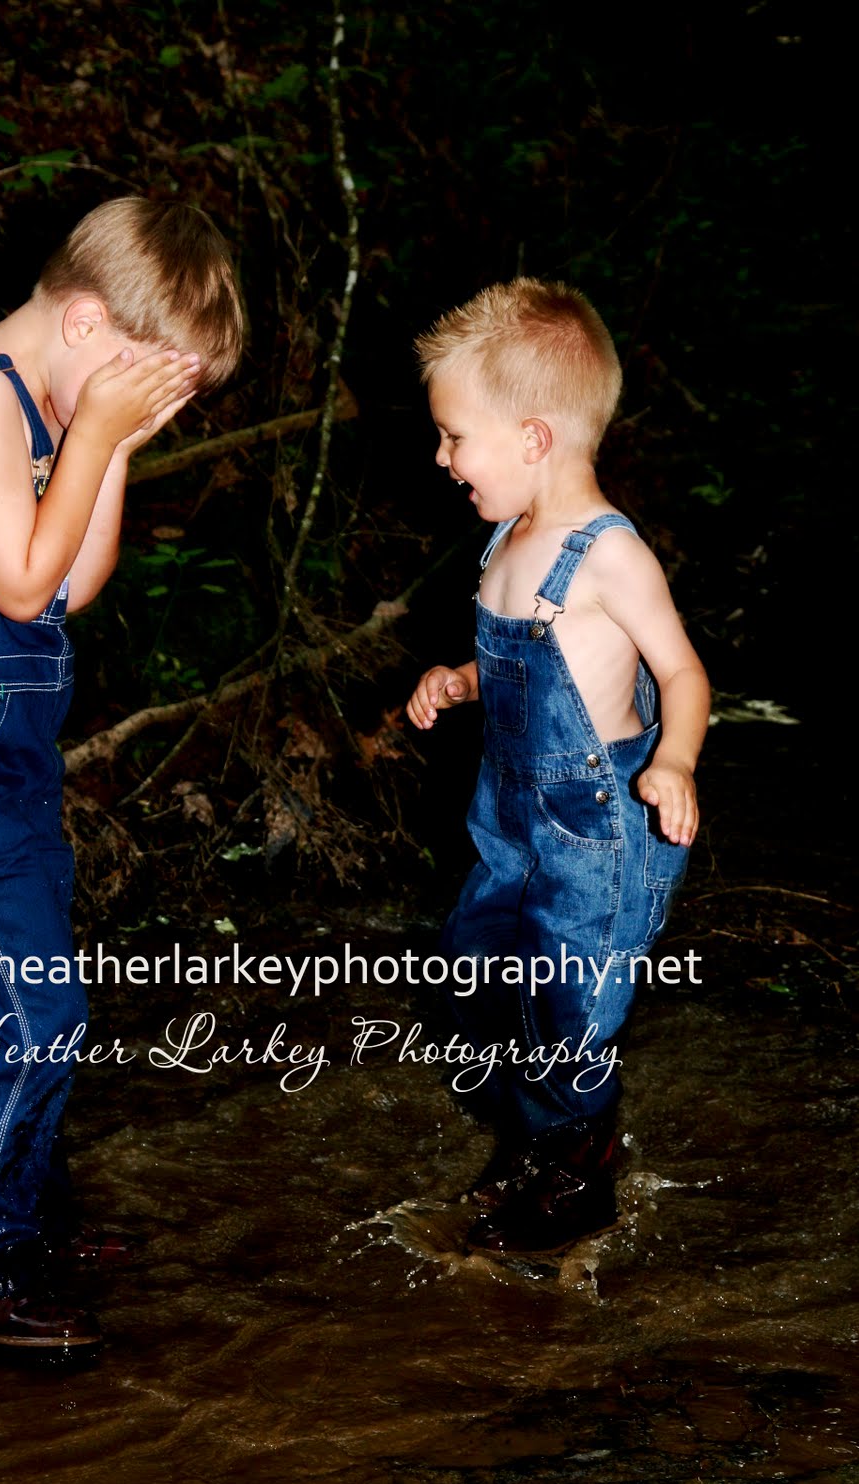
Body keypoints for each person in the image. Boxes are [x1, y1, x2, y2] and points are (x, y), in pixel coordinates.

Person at [0, 198, 243, 1347]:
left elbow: (78, 582)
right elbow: (22, 585)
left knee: (44, 995)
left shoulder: (53, 403)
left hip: (6, 747)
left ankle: (18, 1216)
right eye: (142, 388)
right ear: (84, 322)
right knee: (26, 1008)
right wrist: (91, 438)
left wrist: (110, 444)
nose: (143, 416)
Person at [406, 277, 709, 1255]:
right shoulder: (505, 539)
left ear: (533, 437)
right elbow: (520, 670)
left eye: (456, 436)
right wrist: (459, 681)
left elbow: (682, 670)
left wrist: (676, 760)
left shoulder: (608, 554)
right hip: (510, 819)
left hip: (595, 827)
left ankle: (576, 1161)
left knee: (567, 1005)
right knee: (473, 971)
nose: (441, 456)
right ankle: (548, 1132)